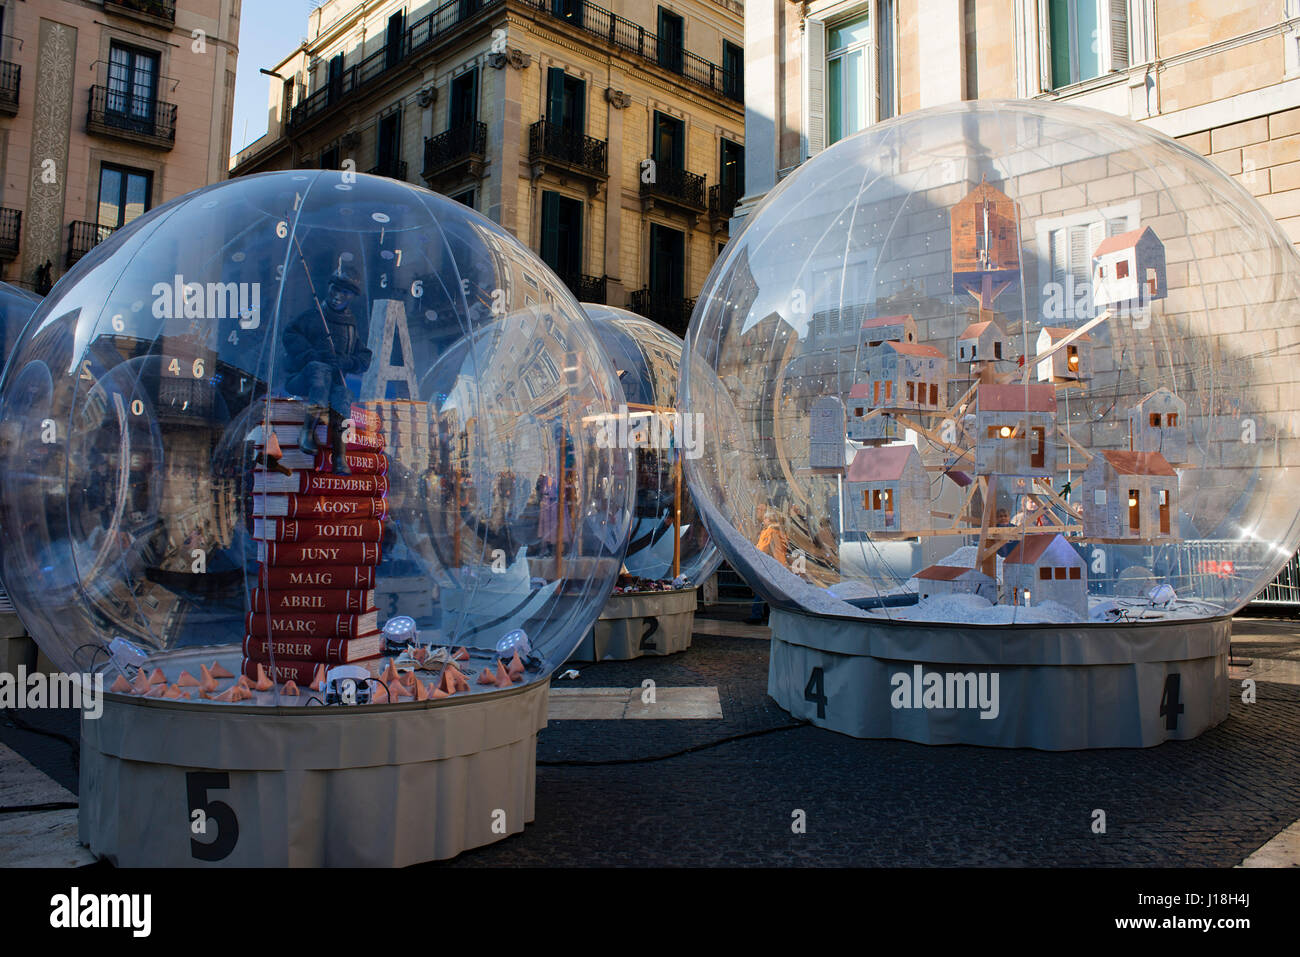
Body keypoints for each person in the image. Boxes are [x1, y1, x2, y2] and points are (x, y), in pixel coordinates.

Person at [283, 264, 372, 475]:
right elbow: (290, 336)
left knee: (343, 395)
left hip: (331, 384)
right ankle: (307, 431)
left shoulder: (350, 328)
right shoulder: (312, 317)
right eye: (334, 289)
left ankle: (340, 457)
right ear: (328, 287)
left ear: (351, 296)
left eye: (345, 292)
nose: (337, 296)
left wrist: (345, 362)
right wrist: (311, 354)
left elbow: (364, 357)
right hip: (304, 378)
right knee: (319, 369)